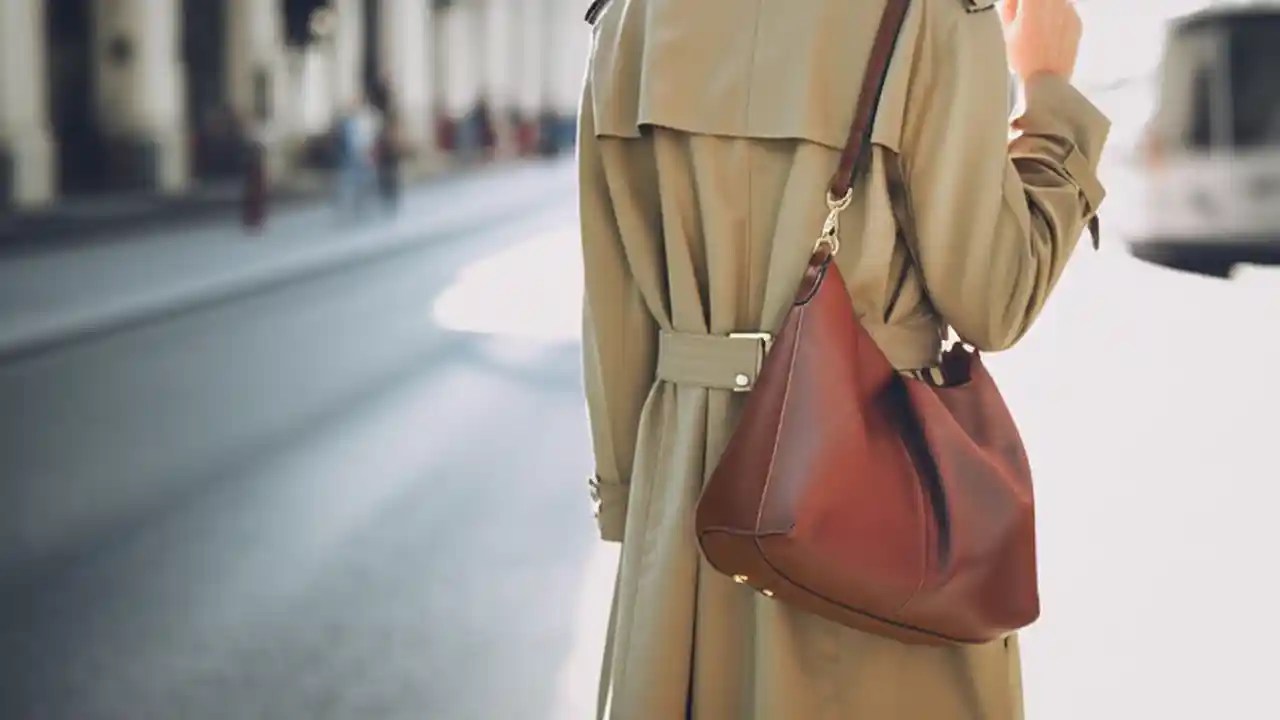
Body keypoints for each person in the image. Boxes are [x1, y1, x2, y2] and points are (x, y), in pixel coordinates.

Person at [576, 0, 1108, 718]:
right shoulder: (934, 14)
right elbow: (994, 296)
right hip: (870, 516)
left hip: (684, 529)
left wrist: (632, 508)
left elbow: (614, 297)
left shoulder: (628, 17)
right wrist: (1049, 92)